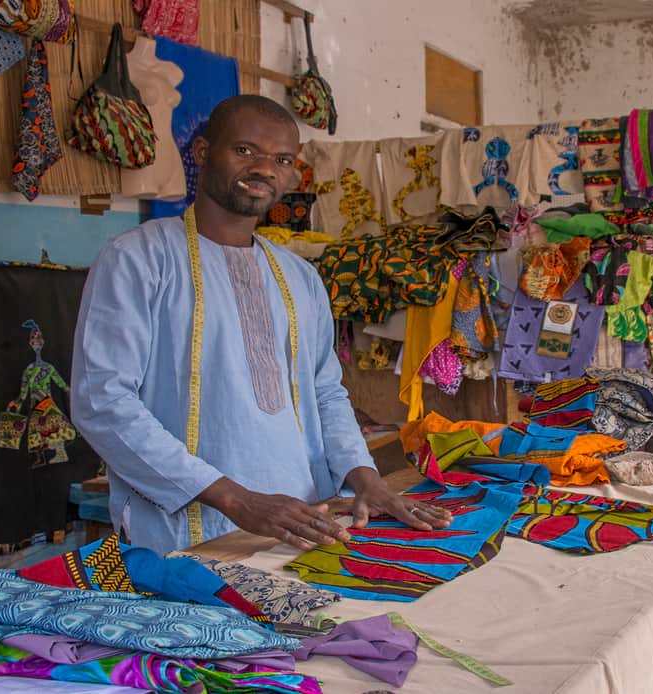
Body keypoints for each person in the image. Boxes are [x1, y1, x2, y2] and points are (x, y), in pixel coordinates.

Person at [71, 95, 452, 555]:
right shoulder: (138, 258)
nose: (264, 169)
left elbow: (325, 391)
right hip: (192, 528)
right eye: (245, 151)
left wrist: (366, 477)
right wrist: (238, 500)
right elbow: (103, 401)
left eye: (282, 159)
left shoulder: (299, 277)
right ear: (202, 152)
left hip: (304, 521)